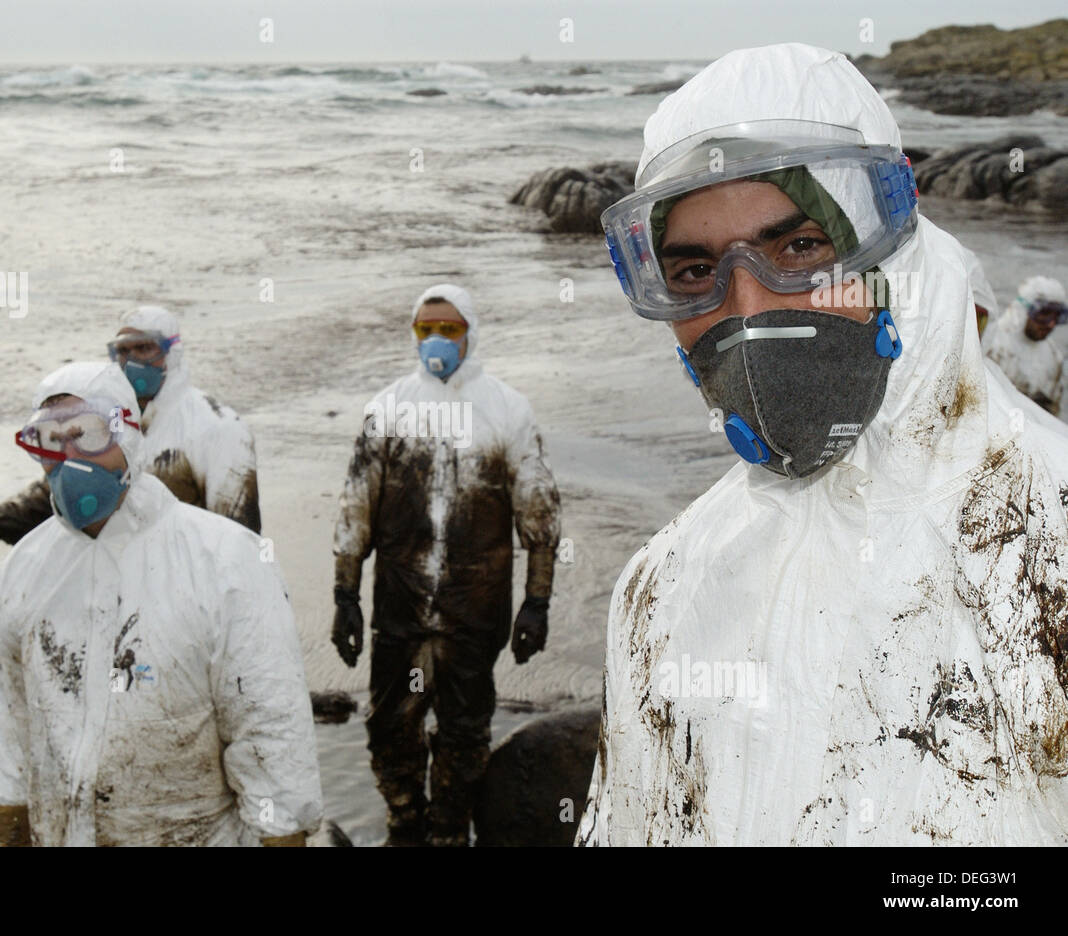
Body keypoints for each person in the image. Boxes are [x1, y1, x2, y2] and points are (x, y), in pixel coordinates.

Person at [579, 43, 1068, 846]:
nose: (749, 308)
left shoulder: (1047, 544)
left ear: (892, 249)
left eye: (800, 248)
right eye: (695, 268)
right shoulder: (658, 594)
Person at [0, 361, 321, 846]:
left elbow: (270, 733)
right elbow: (10, 723)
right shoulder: (28, 567)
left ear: (129, 436)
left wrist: (282, 833)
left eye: (89, 435)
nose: (71, 457)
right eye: (52, 441)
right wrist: (8, 826)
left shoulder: (224, 559)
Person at [331, 284, 562, 846]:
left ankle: (450, 832)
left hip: (474, 612)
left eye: (449, 329)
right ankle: (405, 824)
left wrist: (536, 602)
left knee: (463, 730)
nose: (436, 340)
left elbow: (539, 514)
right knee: (391, 724)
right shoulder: (386, 408)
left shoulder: (507, 408)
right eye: (425, 330)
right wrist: (345, 598)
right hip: (400, 608)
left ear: (470, 334)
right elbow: (356, 508)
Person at [0, 305, 260, 591]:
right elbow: (59, 488)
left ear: (172, 352)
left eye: (144, 347)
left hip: (188, 584)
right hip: (118, 579)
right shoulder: (105, 422)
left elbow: (239, 538)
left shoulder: (218, 427)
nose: (133, 360)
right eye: (123, 351)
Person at [983, 275, 1067, 419]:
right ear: (1023, 310)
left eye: (1057, 316)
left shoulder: (1054, 357)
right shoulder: (991, 344)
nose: (1050, 324)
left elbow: (1052, 411)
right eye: (1044, 314)